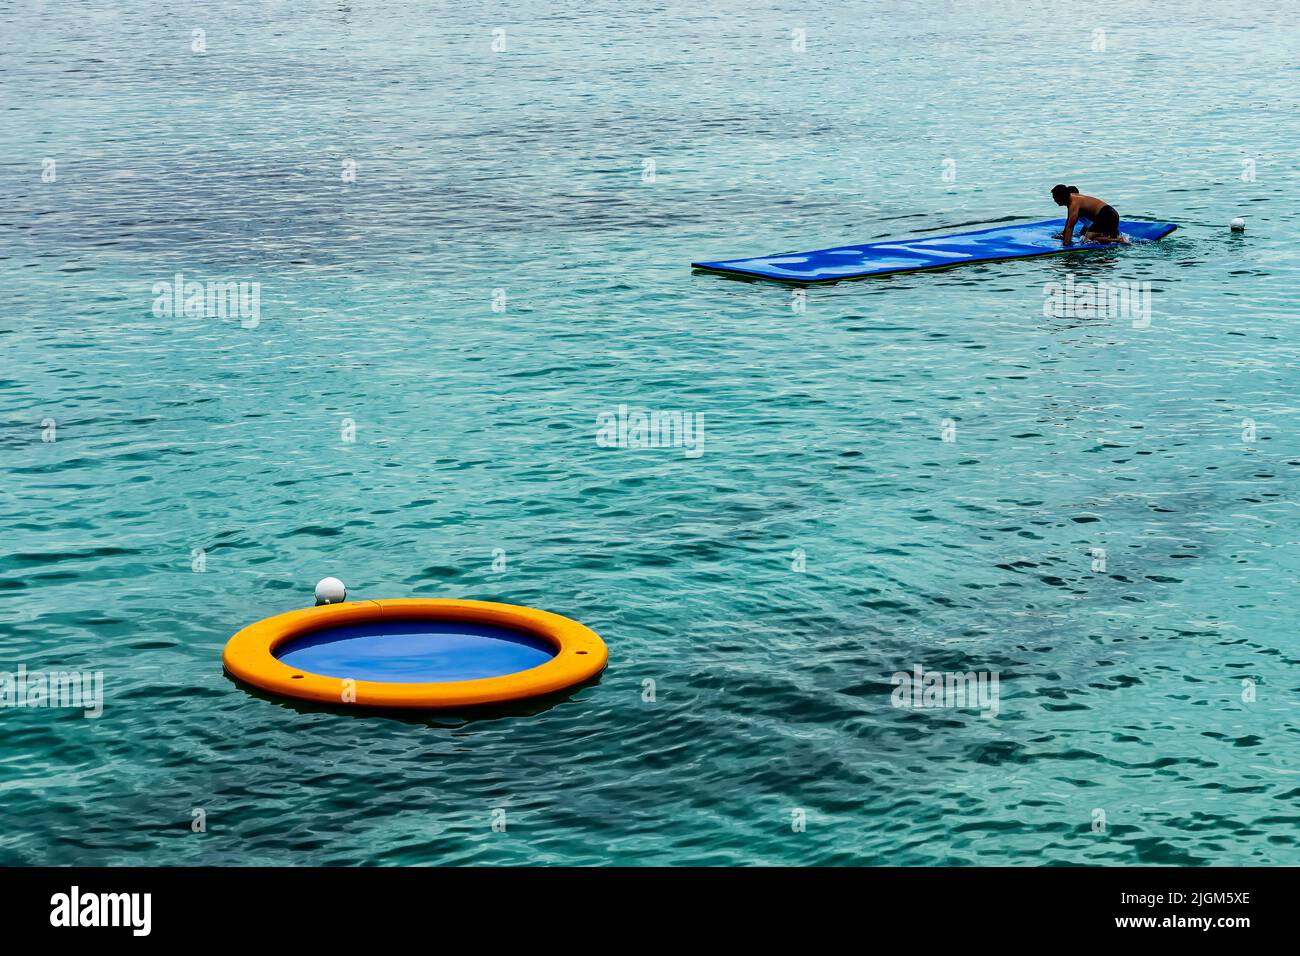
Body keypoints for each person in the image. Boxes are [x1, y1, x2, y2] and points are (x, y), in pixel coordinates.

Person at [1051, 185, 1128, 245]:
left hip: (1107, 215)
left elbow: (1070, 227)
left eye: (1055, 198)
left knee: (1088, 238)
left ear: (1061, 197)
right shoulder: (1072, 199)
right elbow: (1069, 221)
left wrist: (1066, 245)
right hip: (1110, 214)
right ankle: (1116, 239)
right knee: (1087, 236)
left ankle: (1120, 240)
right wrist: (1063, 235)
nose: (1054, 200)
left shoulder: (1073, 204)